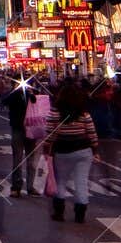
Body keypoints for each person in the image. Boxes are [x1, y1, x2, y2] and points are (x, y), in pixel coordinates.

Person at [44, 83, 100, 223]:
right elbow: (92, 133)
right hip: (83, 150)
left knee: (61, 181)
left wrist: (46, 150)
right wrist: (95, 150)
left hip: (62, 151)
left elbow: (50, 134)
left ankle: (59, 212)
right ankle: (80, 215)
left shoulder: (55, 113)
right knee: (81, 182)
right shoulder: (84, 113)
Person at [3, 81, 35, 197]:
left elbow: (38, 103)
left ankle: (30, 186)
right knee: (17, 159)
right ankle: (16, 187)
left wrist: (31, 94)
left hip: (31, 129)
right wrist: (16, 92)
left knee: (31, 161)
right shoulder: (13, 95)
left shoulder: (31, 93)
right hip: (18, 129)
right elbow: (4, 101)